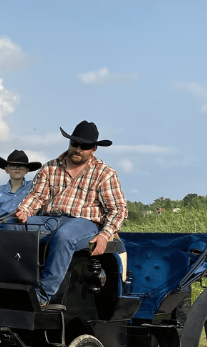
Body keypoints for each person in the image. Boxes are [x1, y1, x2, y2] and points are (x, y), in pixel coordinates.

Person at [14, 121, 127, 309]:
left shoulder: (105, 173)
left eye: (85, 146)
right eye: (75, 144)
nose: (78, 149)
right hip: (50, 219)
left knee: (65, 236)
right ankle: (11, 283)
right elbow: (37, 196)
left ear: (94, 149)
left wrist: (105, 235)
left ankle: (43, 295)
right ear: (69, 143)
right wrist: (24, 210)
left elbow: (118, 209)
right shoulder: (50, 168)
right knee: (9, 227)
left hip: (85, 223)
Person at [0, 150, 42, 229]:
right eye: (13, 166)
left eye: (21, 166)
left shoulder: (34, 187)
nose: (17, 168)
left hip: (22, 229)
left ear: (26, 170)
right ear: (7, 170)